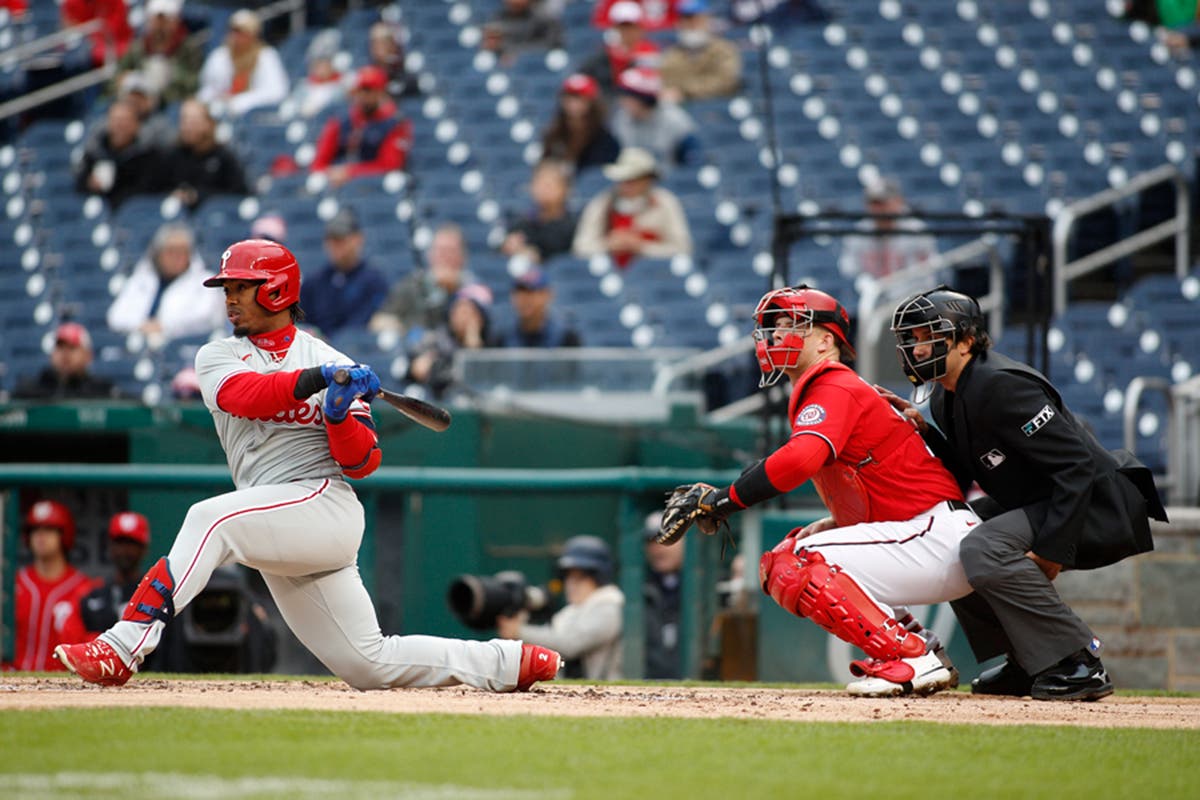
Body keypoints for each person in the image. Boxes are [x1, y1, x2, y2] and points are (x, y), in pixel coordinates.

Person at [53, 238, 562, 693]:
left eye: (242, 287)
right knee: (369, 664)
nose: (229, 297)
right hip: (278, 520)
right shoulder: (218, 356)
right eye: (227, 287)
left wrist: (341, 415)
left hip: (325, 506)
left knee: (210, 519)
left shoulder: (328, 356)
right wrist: (319, 380)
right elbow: (248, 398)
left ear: (275, 291)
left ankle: (124, 643)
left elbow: (362, 464)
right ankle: (509, 661)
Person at [661, 285, 984, 696]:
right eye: (772, 327)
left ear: (826, 340)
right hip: (929, 531)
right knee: (791, 552)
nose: (777, 334)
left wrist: (727, 500)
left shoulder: (833, 383)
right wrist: (836, 521)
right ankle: (927, 654)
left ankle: (909, 656)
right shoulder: (829, 386)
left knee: (797, 561)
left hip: (938, 533)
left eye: (791, 323)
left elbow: (800, 459)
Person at [885, 286, 1167, 701]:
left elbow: (1077, 466)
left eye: (929, 336)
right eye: (912, 338)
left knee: (981, 546)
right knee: (949, 537)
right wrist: (926, 433)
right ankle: (1030, 661)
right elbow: (969, 472)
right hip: (1043, 498)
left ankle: (1078, 662)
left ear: (966, 340)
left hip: (1097, 502)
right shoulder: (948, 396)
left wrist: (1055, 549)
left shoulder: (1001, 385)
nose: (917, 347)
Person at [497, 535, 624, 680]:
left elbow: (569, 644)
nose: (571, 585)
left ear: (599, 577)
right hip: (580, 695)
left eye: (579, 578)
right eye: (568, 577)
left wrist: (519, 631)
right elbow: (550, 637)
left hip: (609, 695)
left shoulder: (610, 604)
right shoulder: (571, 611)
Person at [6, 501, 95, 672]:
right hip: (13, 678)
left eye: (49, 529)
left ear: (64, 535)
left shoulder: (84, 588)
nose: (40, 536)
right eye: (35, 530)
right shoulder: (13, 584)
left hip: (60, 683)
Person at [106, 222, 225, 345]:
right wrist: (142, 326)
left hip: (185, 346)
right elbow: (115, 317)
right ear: (158, 253)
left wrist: (164, 326)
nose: (177, 257)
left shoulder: (205, 281)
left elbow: (208, 316)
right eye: (171, 251)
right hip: (138, 343)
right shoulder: (140, 280)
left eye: (182, 252)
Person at [572, 147, 692, 268]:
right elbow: (581, 248)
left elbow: (683, 248)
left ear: (647, 179)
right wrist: (609, 244)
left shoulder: (666, 202)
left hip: (655, 272)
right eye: (622, 180)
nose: (626, 186)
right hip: (611, 272)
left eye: (632, 180)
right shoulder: (602, 203)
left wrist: (642, 246)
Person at [310, 65, 413, 188]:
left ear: (380, 92)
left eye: (368, 90)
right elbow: (319, 163)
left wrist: (351, 172)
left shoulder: (394, 123)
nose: (363, 95)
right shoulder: (341, 121)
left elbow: (390, 165)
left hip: (377, 188)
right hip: (340, 186)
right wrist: (334, 173)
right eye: (360, 90)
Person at [298, 207, 389, 337]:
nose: (336, 246)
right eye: (332, 240)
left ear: (358, 239)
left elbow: (365, 322)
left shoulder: (374, 281)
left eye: (341, 240)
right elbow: (302, 320)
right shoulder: (315, 282)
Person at [371, 224, 476, 335]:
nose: (445, 256)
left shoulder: (473, 289)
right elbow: (378, 321)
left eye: (450, 251)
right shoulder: (412, 285)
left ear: (463, 256)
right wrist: (404, 331)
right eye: (440, 250)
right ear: (430, 254)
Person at [158, 98, 250, 209]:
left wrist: (198, 196)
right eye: (184, 121)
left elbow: (239, 195)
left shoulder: (224, 158)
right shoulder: (171, 156)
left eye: (193, 122)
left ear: (209, 124)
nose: (187, 127)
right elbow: (153, 191)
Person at [406, 283, 493, 399]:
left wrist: (473, 347)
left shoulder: (492, 341)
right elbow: (418, 368)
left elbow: (482, 380)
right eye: (457, 311)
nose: (461, 317)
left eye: (467, 312)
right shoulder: (437, 338)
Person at [196, 9, 289, 117]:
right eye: (233, 31)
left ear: (253, 34)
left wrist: (239, 100)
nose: (236, 37)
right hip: (219, 112)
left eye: (241, 32)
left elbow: (277, 92)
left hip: (254, 116)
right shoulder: (219, 56)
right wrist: (215, 99)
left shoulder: (266, 56)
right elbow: (207, 89)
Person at [109, 0, 203, 106]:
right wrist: (125, 81)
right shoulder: (138, 47)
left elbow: (192, 83)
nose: (160, 26)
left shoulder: (188, 47)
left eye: (165, 20)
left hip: (170, 104)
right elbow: (116, 77)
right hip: (135, 102)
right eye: (157, 20)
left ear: (175, 21)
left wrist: (159, 96)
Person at [73, 98, 159, 209]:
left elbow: (146, 192)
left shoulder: (149, 156)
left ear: (136, 125)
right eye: (115, 120)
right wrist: (90, 184)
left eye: (125, 121)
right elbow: (79, 186)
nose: (119, 126)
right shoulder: (96, 151)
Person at [610, 67, 701, 171]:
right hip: (630, 179)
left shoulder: (675, 119)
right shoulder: (620, 118)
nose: (622, 101)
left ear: (643, 99)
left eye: (627, 96)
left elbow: (690, 161)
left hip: (666, 180)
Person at [659, 0, 743, 104]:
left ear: (707, 19)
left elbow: (725, 81)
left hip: (715, 107)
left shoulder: (724, 49)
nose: (692, 24)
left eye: (697, 19)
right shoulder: (672, 53)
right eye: (687, 19)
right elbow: (665, 81)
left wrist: (684, 90)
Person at [12, 322, 121, 400]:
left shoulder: (101, 390)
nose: (65, 354)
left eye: (72, 348)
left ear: (88, 356)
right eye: (60, 347)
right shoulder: (34, 388)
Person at [539, 73, 621, 174]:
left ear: (591, 102)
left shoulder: (603, 138)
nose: (574, 103)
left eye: (580, 98)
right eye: (569, 97)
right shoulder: (554, 133)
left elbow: (604, 172)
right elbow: (546, 164)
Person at [501, 159, 579, 265]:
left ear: (565, 189)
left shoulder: (574, 225)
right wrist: (508, 247)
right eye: (539, 183)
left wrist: (537, 256)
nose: (544, 189)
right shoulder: (522, 223)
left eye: (550, 185)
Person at [578, 1, 661, 98]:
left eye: (631, 27)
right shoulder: (604, 55)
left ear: (640, 28)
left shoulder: (650, 52)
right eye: (622, 27)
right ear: (614, 28)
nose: (626, 32)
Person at [492, 267, 581, 348]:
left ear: (547, 295)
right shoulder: (502, 338)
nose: (524, 299)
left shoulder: (566, 337)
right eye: (519, 293)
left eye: (531, 293)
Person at [642, 511, 683, 680]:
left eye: (667, 540)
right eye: (652, 542)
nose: (658, 548)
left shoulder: (708, 586)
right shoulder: (641, 588)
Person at [287, 29, 347, 120]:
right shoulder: (303, 86)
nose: (319, 67)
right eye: (316, 62)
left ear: (332, 63)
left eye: (323, 62)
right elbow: (289, 110)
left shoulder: (343, 85)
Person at [481, 0, 564, 63]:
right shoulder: (497, 18)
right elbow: (489, 44)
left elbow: (551, 43)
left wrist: (514, 51)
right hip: (506, 66)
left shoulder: (542, 19)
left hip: (536, 64)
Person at [366, 21, 420, 101]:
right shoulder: (364, 76)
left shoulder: (407, 77)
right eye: (377, 43)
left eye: (386, 42)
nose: (383, 48)